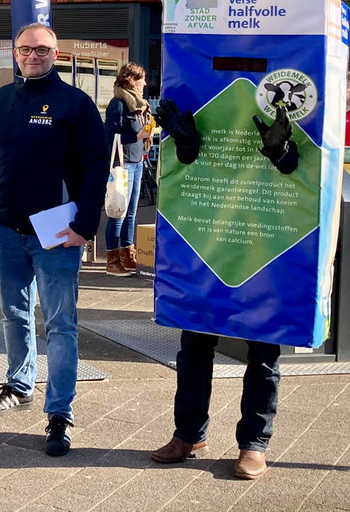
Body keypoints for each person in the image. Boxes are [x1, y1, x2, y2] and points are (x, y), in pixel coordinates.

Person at [0, 23, 109, 457]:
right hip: (5, 233)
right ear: (15, 54)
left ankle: (60, 413)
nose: (34, 56)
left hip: (57, 236)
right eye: (26, 49)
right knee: (14, 314)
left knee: (61, 324)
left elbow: (95, 168)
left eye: (43, 49)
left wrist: (86, 226)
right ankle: (19, 384)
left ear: (56, 54)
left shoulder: (76, 104)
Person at [150, 98, 296, 480]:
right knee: (195, 344)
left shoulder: (288, 85)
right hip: (209, 237)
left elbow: (304, 173)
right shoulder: (203, 93)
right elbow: (184, 172)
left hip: (265, 239)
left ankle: (254, 444)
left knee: (264, 350)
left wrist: (281, 153)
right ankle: (189, 436)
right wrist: (185, 145)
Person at [103, 63, 153, 277]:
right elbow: (109, 136)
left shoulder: (139, 104)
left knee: (131, 212)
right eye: (142, 79)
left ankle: (128, 254)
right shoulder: (119, 104)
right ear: (131, 80)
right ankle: (112, 260)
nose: (145, 83)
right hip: (123, 165)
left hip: (137, 160)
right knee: (118, 211)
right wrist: (137, 136)